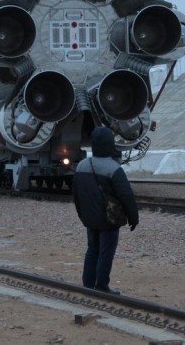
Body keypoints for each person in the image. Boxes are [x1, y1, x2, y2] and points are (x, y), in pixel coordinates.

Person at [71, 126, 139, 295]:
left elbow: (76, 195)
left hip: (89, 218)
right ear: (110, 144)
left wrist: (82, 215)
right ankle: (102, 285)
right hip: (109, 219)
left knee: (92, 249)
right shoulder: (113, 168)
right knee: (106, 252)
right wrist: (133, 218)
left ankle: (88, 283)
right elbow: (126, 196)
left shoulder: (82, 165)